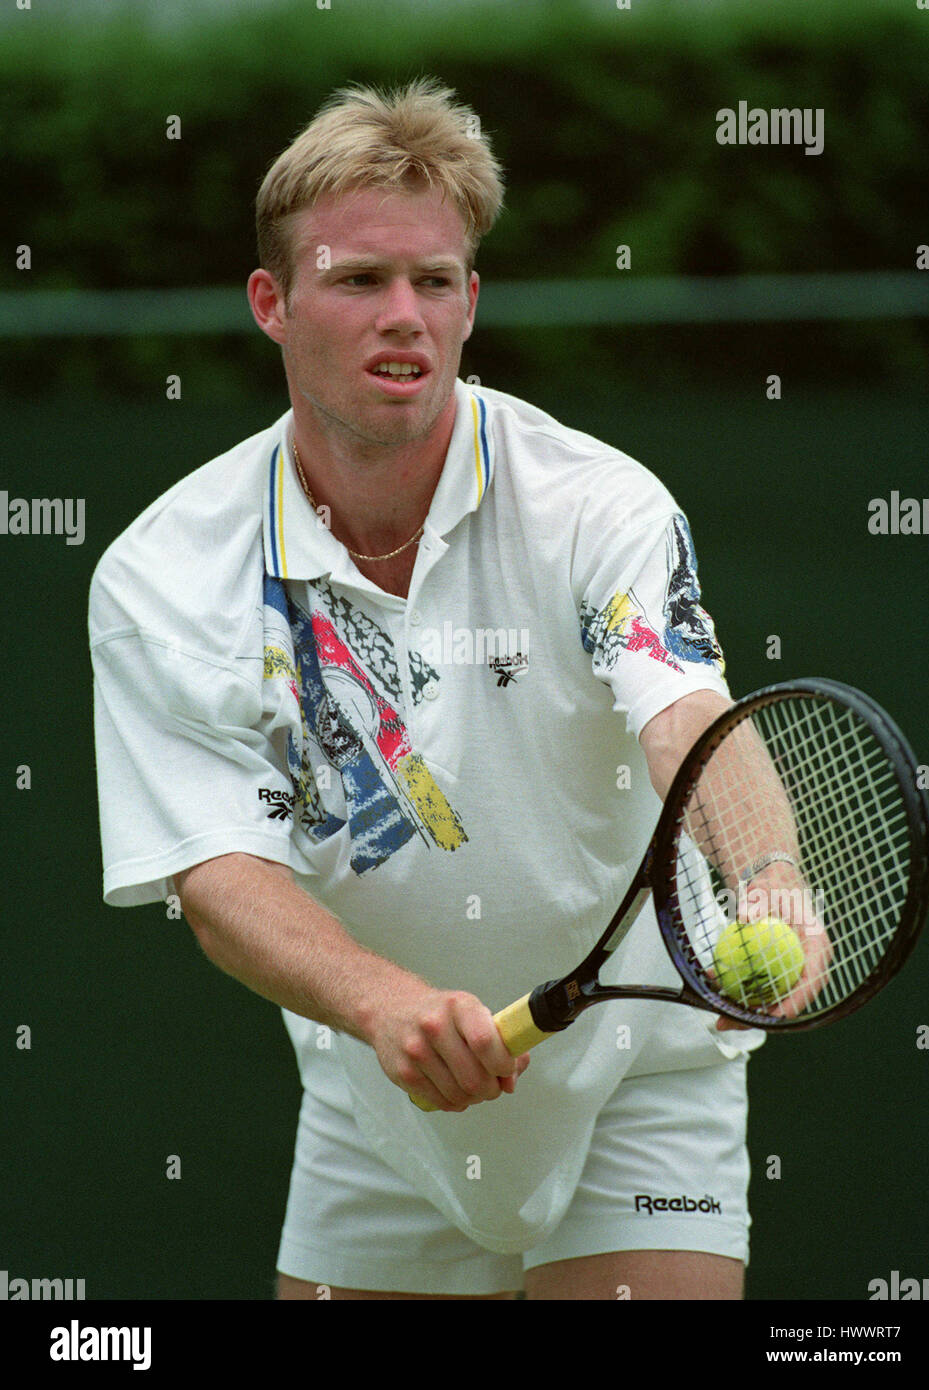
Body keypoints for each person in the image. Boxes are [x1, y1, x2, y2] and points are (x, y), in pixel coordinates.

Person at [90, 79, 768, 1301]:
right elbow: (219, 876)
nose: (404, 315)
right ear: (273, 303)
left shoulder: (598, 505)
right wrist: (391, 1007)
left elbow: (688, 719)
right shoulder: (163, 574)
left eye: (437, 281)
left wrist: (767, 879)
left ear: (470, 304)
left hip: (640, 1075)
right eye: (358, 281)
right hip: (380, 1109)